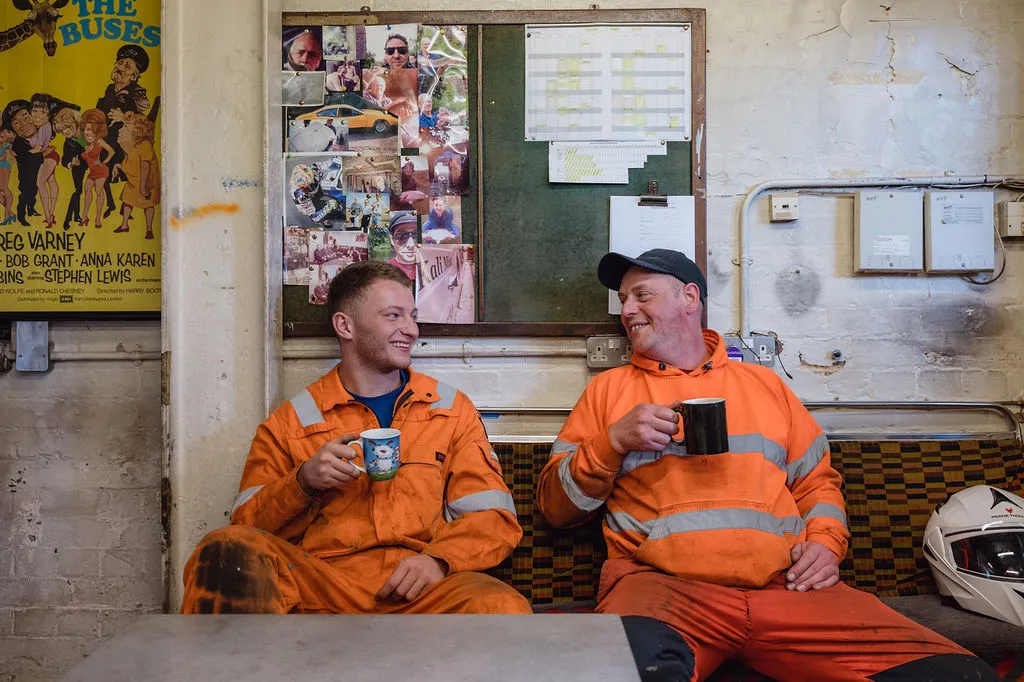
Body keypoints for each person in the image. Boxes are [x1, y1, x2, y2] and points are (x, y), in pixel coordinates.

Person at [535, 249, 1001, 682]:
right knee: (619, 672)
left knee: (959, 673)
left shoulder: (764, 384)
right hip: (663, 592)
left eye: (641, 296)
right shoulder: (608, 392)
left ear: (689, 298)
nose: (628, 310)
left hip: (789, 591)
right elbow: (557, 509)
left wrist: (823, 545)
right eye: (623, 300)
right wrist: (612, 441)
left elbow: (817, 483)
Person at [180, 260, 530, 616]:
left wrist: (439, 560)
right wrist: (302, 482)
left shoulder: (450, 409)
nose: (411, 329)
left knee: (501, 606)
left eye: (412, 316)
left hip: (421, 591)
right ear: (345, 325)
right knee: (224, 551)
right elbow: (247, 530)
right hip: (325, 586)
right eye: (394, 316)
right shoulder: (292, 421)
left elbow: (493, 518)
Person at [2, 100, 42, 226]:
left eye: (26, 117)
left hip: (37, 173)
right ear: (12, 129)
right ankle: (21, 216)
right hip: (26, 176)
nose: (23, 124)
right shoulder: (18, 143)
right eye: (16, 122)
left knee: (34, 190)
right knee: (26, 194)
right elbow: (27, 153)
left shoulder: (45, 134)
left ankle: (31, 209)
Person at [78, 109, 113, 229]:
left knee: (99, 191)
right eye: (87, 129)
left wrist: (104, 162)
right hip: (92, 171)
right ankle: (84, 217)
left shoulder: (99, 141)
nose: (88, 133)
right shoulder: (88, 145)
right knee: (87, 190)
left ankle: (97, 219)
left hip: (101, 170)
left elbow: (111, 151)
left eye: (92, 129)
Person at [386, 210, 421, 282]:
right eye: (402, 236)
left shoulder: (432, 267)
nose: (410, 245)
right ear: (392, 240)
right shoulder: (384, 272)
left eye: (416, 236)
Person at [0, 128, 14, 225]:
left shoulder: (7, 145)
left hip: (4, 167)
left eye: (7, 132)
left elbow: (6, 157)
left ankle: (6, 217)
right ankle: (11, 214)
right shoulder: (2, 145)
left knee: (4, 189)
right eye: (2, 131)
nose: (2, 133)